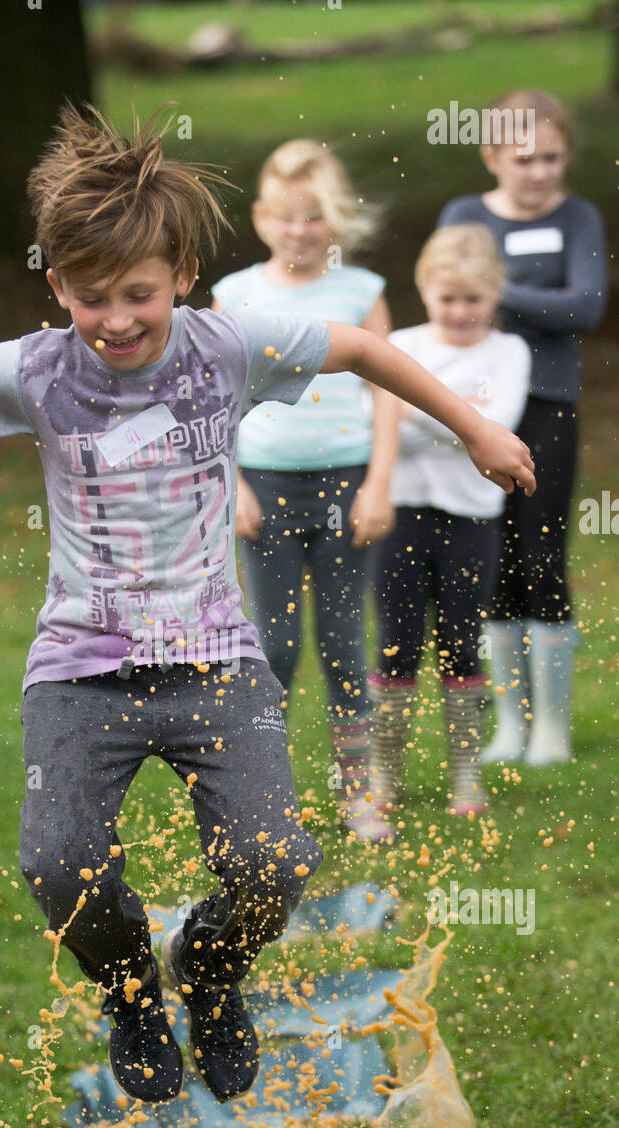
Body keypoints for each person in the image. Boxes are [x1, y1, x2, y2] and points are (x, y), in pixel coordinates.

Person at [0, 105, 535, 1110]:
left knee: (274, 860)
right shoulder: (37, 368)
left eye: (139, 295)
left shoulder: (227, 346)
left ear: (182, 276)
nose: (116, 320)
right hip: (80, 668)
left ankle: (204, 969)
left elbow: (365, 352)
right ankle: (128, 992)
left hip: (213, 659)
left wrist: (469, 432)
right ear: (57, 284)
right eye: (92, 297)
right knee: (58, 864)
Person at [211, 139, 397, 843]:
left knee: (346, 643)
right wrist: (232, 486)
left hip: (348, 485)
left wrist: (379, 483)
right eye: (286, 217)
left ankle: (360, 795)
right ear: (261, 218)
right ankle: (265, 796)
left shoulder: (361, 291)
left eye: (314, 217)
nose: (299, 231)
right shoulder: (234, 296)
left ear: (336, 219)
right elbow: (213, 401)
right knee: (277, 647)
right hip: (263, 488)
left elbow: (388, 393)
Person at [437, 89, 609, 766]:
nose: (540, 172)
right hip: (475, 406)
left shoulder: (580, 218)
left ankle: (553, 730)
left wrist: (493, 293)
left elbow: (586, 307)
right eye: (525, 158)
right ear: (492, 156)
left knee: (542, 555)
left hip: (546, 402)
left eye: (553, 158)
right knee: (491, 562)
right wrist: (490, 302)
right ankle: (512, 724)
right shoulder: (463, 215)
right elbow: (444, 291)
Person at [369, 225, 531, 816]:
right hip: (404, 517)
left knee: (461, 646)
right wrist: (466, 421)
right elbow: (384, 427)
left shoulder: (510, 353)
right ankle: (385, 778)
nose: (460, 311)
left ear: (496, 295)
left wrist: (415, 407)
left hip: (473, 520)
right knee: (396, 647)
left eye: (475, 299)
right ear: (424, 288)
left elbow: (499, 428)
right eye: (448, 298)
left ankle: (467, 776)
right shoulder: (402, 345)